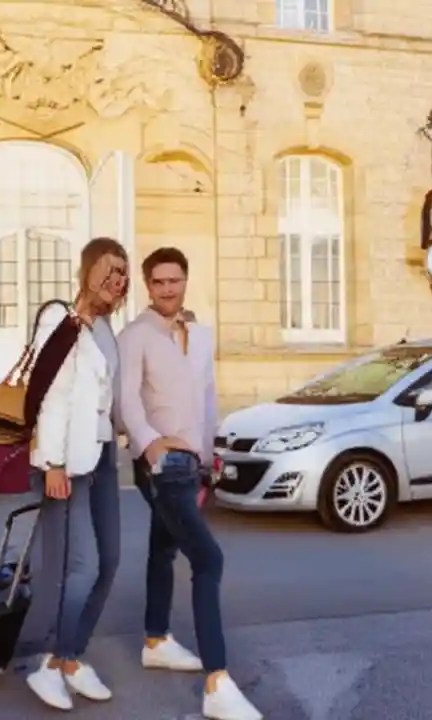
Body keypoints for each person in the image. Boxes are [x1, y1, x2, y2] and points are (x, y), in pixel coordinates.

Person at [117, 247, 263, 720]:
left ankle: (156, 639)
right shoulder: (135, 335)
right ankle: (217, 683)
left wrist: (208, 453)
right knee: (209, 557)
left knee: (164, 548)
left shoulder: (201, 335)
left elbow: (207, 397)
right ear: (147, 285)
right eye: (158, 282)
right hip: (159, 462)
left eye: (174, 280)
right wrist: (149, 445)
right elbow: (125, 403)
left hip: (190, 460)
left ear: (185, 280)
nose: (167, 289)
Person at [19, 237, 129, 711]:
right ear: (87, 270)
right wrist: (53, 463)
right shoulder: (59, 320)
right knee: (74, 566)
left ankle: (71, 655)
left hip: (102, 456)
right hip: (67, 461)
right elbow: (49, 397)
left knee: (109, 561)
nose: (117, 280)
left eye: (123, 274)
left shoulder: (104, 328)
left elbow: (106, 395)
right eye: (110, 269)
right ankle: (49, 661)